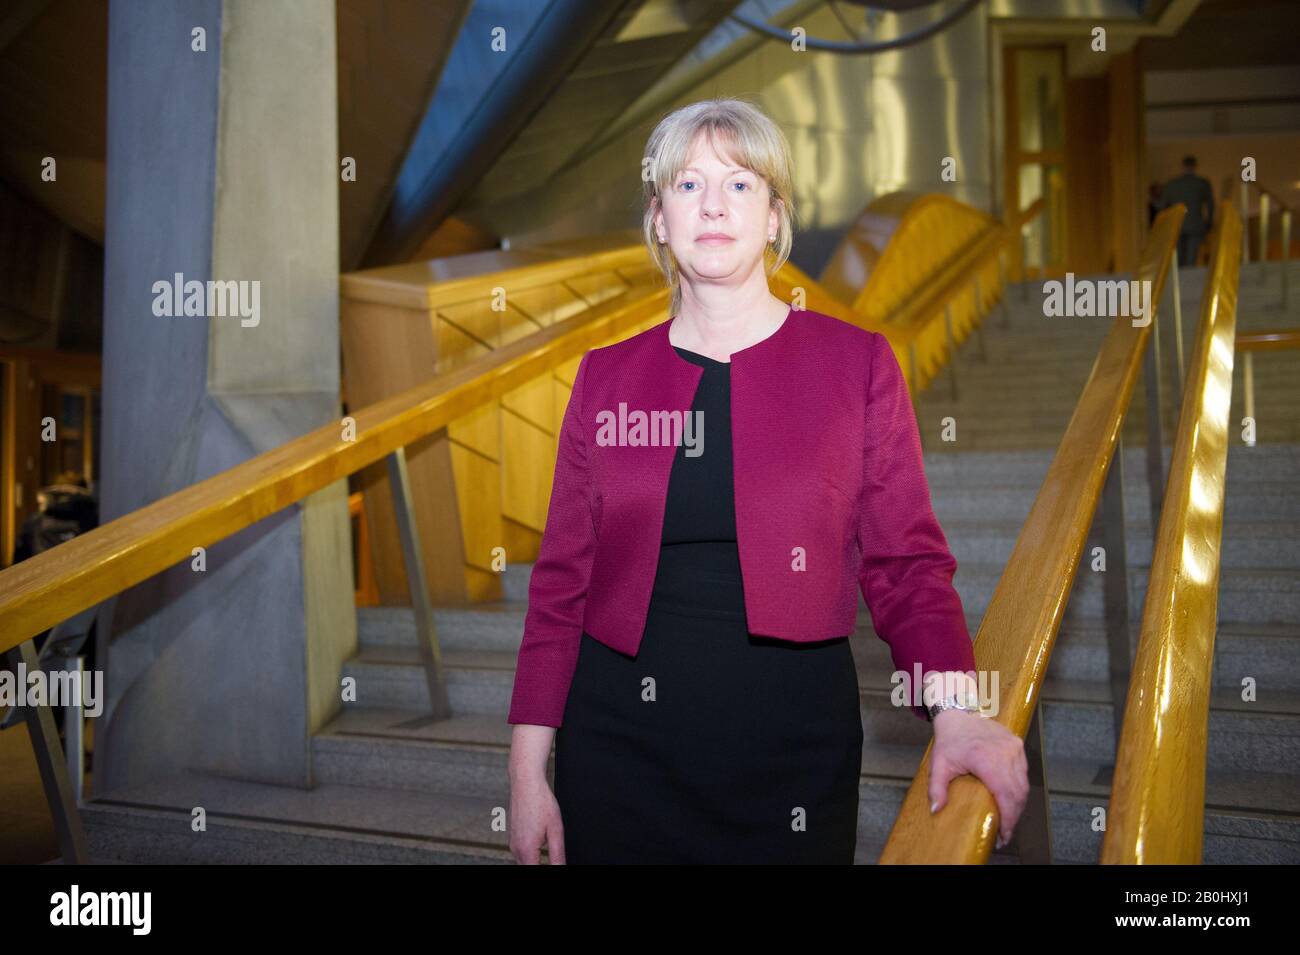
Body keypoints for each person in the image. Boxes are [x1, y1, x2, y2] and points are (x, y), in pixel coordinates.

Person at [506, 98, 1028, 864]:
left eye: (741, 184)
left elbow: (906, 565)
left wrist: (958, 709)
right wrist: (526, 770)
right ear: (659, 219)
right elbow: (560, 585)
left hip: (790, 751)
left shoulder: (856, 365)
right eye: (687, 185)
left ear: (776, 218)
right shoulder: (605, 378)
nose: (713, 204)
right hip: (619, 747)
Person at [1162, 155, 1215, 267]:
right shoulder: (1202, 183)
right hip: (1195, 224)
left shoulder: (1172, 185)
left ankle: (1180, 281)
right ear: (1195, 166)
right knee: (1191, 258)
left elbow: (1164, 207)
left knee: (1178, 259)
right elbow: (1210, 204)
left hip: (1177, 225)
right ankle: (1186, 280)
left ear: (1183, 166)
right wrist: (1209, 222)